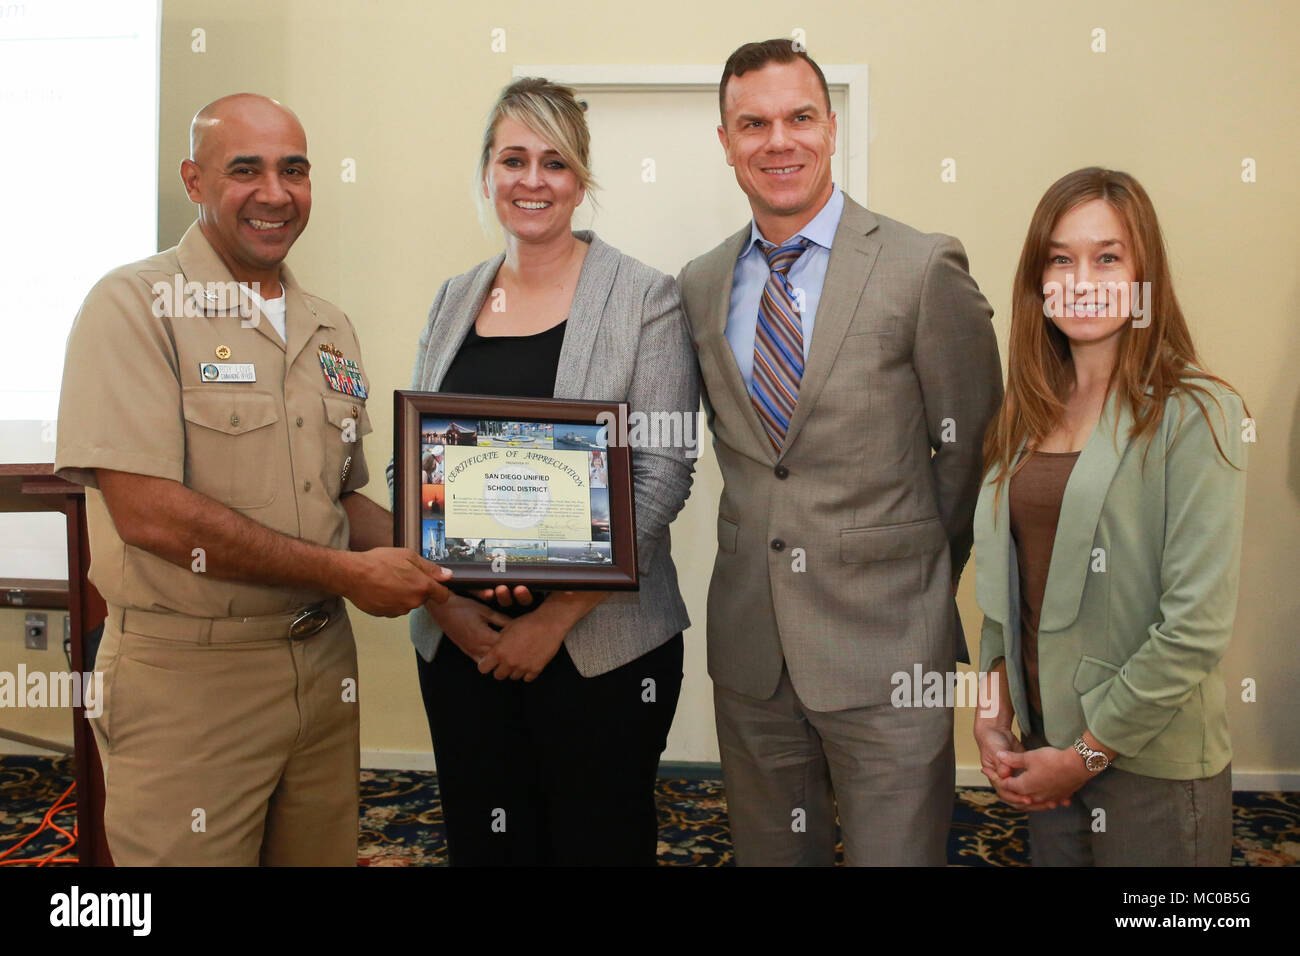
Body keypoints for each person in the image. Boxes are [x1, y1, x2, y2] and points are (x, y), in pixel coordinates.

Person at [53, 93, 452, 866]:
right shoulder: (135, 306)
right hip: (191, 681)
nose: (275, 193)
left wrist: (454, 555)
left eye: (294, 170)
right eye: (246, 170)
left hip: (321, 669)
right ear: (195, 181)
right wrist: (346, 574)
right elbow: (152, 516)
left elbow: (339, 501)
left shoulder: (328, 326)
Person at [676, 39, 1002, 865]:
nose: (777, 141)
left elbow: (973, 451)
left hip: (889, 647)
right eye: (753, 123)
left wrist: (917, 570)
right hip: (753, 651)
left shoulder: (920, 266)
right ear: (725, 141)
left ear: (830, 128)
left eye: (799, 118)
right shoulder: (702, 283)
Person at [390, 77, 697, 865]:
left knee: (598, 843)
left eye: (554, 163)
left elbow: (660, 478)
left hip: (602, 650)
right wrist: (451, 609)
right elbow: (411, 465)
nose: (533, 181)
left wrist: (551, 621)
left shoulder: (646, 299)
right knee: (485, 843)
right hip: (464, 643)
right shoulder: (453, 298)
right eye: (513, 159)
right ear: (488, 172)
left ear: (581, 178)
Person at [972, 167, 1247, 866]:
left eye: (1108, 256)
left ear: (1143, 275)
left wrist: (1087, 754)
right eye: (1060, 258)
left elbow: (1195, 628)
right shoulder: (1024, 413)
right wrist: (992, 714)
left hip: (1150, 764)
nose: (1081, 277)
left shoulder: (1196, 413)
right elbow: (1005, 593)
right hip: (1044, 752)